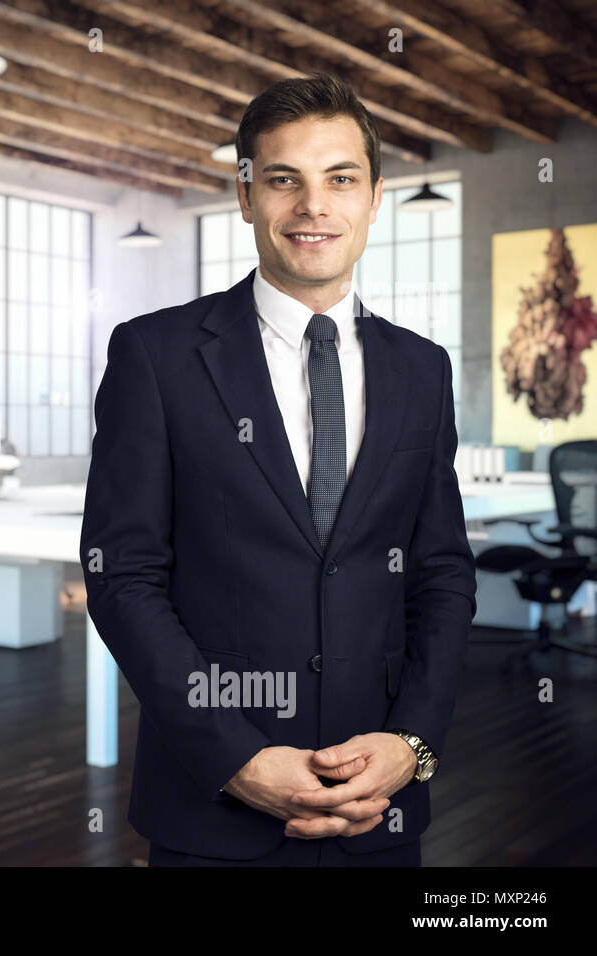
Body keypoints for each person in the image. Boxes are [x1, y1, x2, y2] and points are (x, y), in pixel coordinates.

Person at [79, 73, 477, 866]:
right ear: (246, 194)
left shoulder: (423, 369)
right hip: (212, 812)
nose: (313, 207)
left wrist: (412, 744)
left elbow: (440, 574)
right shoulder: (155, 356)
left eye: (340, 179)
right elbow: (122, 576)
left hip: (381, 809)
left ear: (374, 197)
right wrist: (235, 758)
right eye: (284, 180)